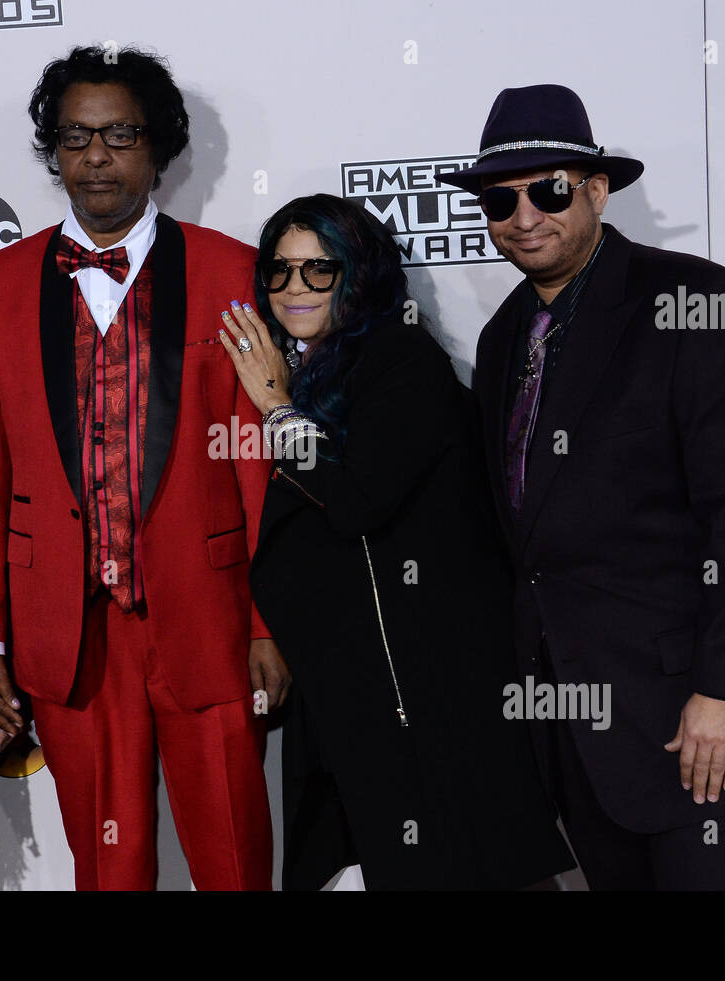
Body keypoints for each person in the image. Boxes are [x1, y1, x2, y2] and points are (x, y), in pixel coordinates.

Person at [439, 84, 725, 889]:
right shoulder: (506, 335)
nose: (524, 215)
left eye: (549, 190)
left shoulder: (698, 303)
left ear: (598, 191)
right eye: (499, 200)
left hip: (710, 720)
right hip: (587, 735)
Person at [0, 45, 286, 891]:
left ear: (159, 149)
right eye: (75, 137)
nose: (96, 156)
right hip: (67, 628)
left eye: (120, 134)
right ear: (54, 149)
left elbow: (257, 468)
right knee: (107, 868)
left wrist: (266, 621)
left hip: (207, 619)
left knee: (236, 859)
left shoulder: (231, 270)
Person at [220, 193, 573, 890]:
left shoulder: (399, 359)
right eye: (280, 271)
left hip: (429, 701)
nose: (295, 289)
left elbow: (354, 501)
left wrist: (276, 407)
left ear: (360, 274)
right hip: (355, 695)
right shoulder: (322, 373)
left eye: (319, 270)